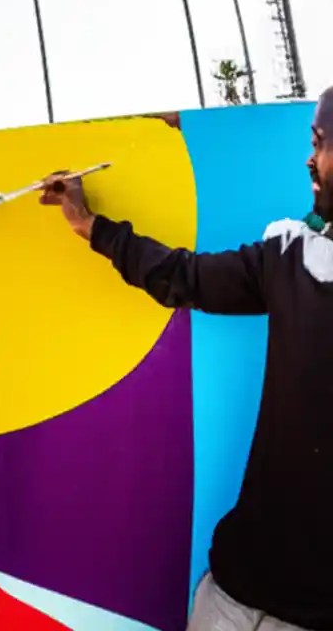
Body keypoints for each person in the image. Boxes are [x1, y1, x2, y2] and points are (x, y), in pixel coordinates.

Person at [38, 88, 333, 631]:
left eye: (319, 142)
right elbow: (185, 276)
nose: (308, 159)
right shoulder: (292, 257)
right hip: (233, 596)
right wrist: (91, 227)